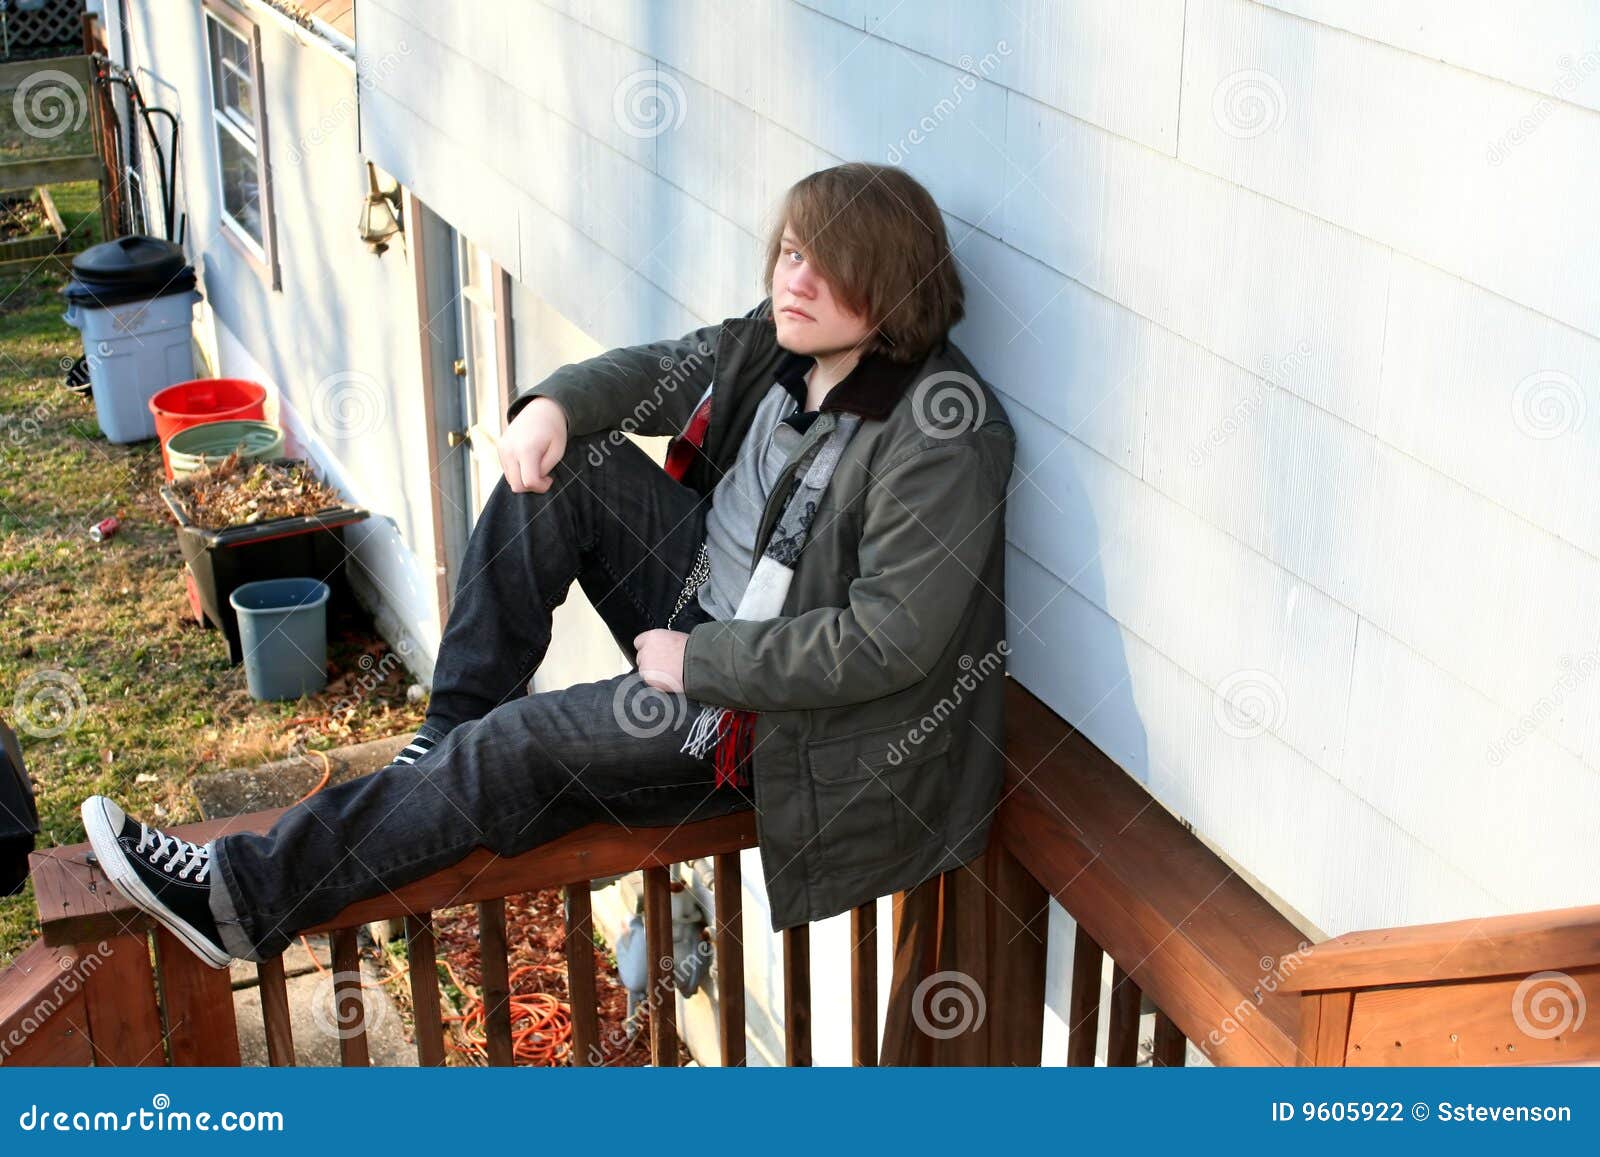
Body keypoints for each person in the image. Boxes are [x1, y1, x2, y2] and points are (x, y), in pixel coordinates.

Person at [79, 162, 1016, 969]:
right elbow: (660, 368)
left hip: (767, 720)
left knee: (516, 748)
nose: (795, 279)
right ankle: (443, 732)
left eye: (830, 265)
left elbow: (888, 642)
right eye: (790, 252)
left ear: (893, 287)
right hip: (701, 607)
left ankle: (242, 900)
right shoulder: (785, 343)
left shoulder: (942, 433)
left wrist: (705, 665)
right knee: (575, 467)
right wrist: (554, 406)